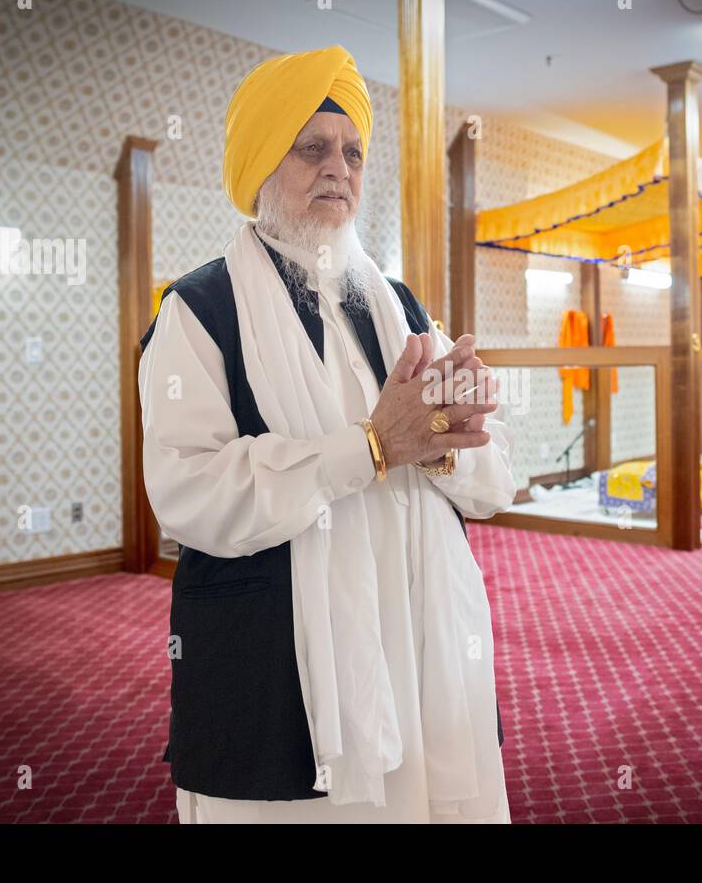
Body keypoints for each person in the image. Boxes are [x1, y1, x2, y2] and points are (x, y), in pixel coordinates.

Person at [137, 45, 517, 823]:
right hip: (279, 660)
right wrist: (372, 447)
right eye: (312, 147)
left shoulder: (401, 306)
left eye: (351, 152)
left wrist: (450, 431)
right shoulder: (198, 309)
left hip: (412, 646)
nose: (337, 168)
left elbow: (494, 484)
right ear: (261, 167)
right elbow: (187, 494)